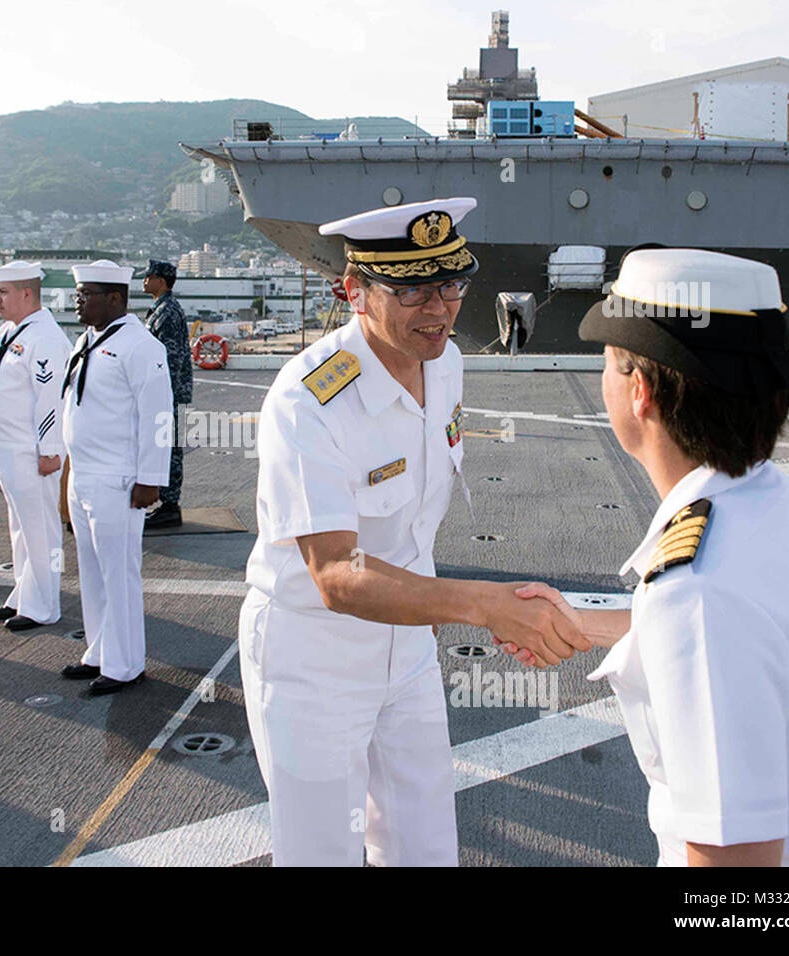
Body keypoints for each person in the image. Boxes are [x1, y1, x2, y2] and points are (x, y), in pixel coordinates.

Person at [240, 198, 587, 867]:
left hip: (408, 644)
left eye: (450, 284)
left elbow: (412, 520)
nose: (438, 309)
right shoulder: (308, 398)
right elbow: (337, 574)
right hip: (315, 658)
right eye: (409, 290)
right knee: (320, 854)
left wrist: (429, 608)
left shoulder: (445, 361)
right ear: (354, 292)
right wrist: (485, 606)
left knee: (424, 844)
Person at [509, 248, 789, 867]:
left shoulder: (698, 587)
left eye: (612, 365)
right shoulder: (783, 507)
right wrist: (579, 621)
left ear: (639, 391)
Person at [61, 260, 173, 695]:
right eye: (77, 294)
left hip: (119, 479)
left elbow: (159, 416)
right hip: (82, 475)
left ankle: (125, 665)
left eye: (85, 294)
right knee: (90, 571)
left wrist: (151, 479)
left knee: (119, 573)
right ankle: (99, 651)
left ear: (114, 298)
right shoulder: (84, 341)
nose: (78, 302)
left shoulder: (140, 346)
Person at [0, 261, 71, 631]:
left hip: (30, 449)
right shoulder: (11, 331)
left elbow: (51, 398)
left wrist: (50, 450)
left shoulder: (45, 337)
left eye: (3, 292)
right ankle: (23, 595)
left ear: (27, 293)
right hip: (5, 446)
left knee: (40, 528)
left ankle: (43, 606)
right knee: (20, 527)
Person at [138, 259, 192, 529]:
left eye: (149, 276)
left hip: (170, 391)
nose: (145, 280)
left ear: (161, 280)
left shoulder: (168, 311)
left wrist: (160, 393)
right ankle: (167, 503)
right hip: (168, 391)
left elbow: (169, 357)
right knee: (166, 444)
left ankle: (170, 506)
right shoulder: (161, 308)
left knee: (170, 447)